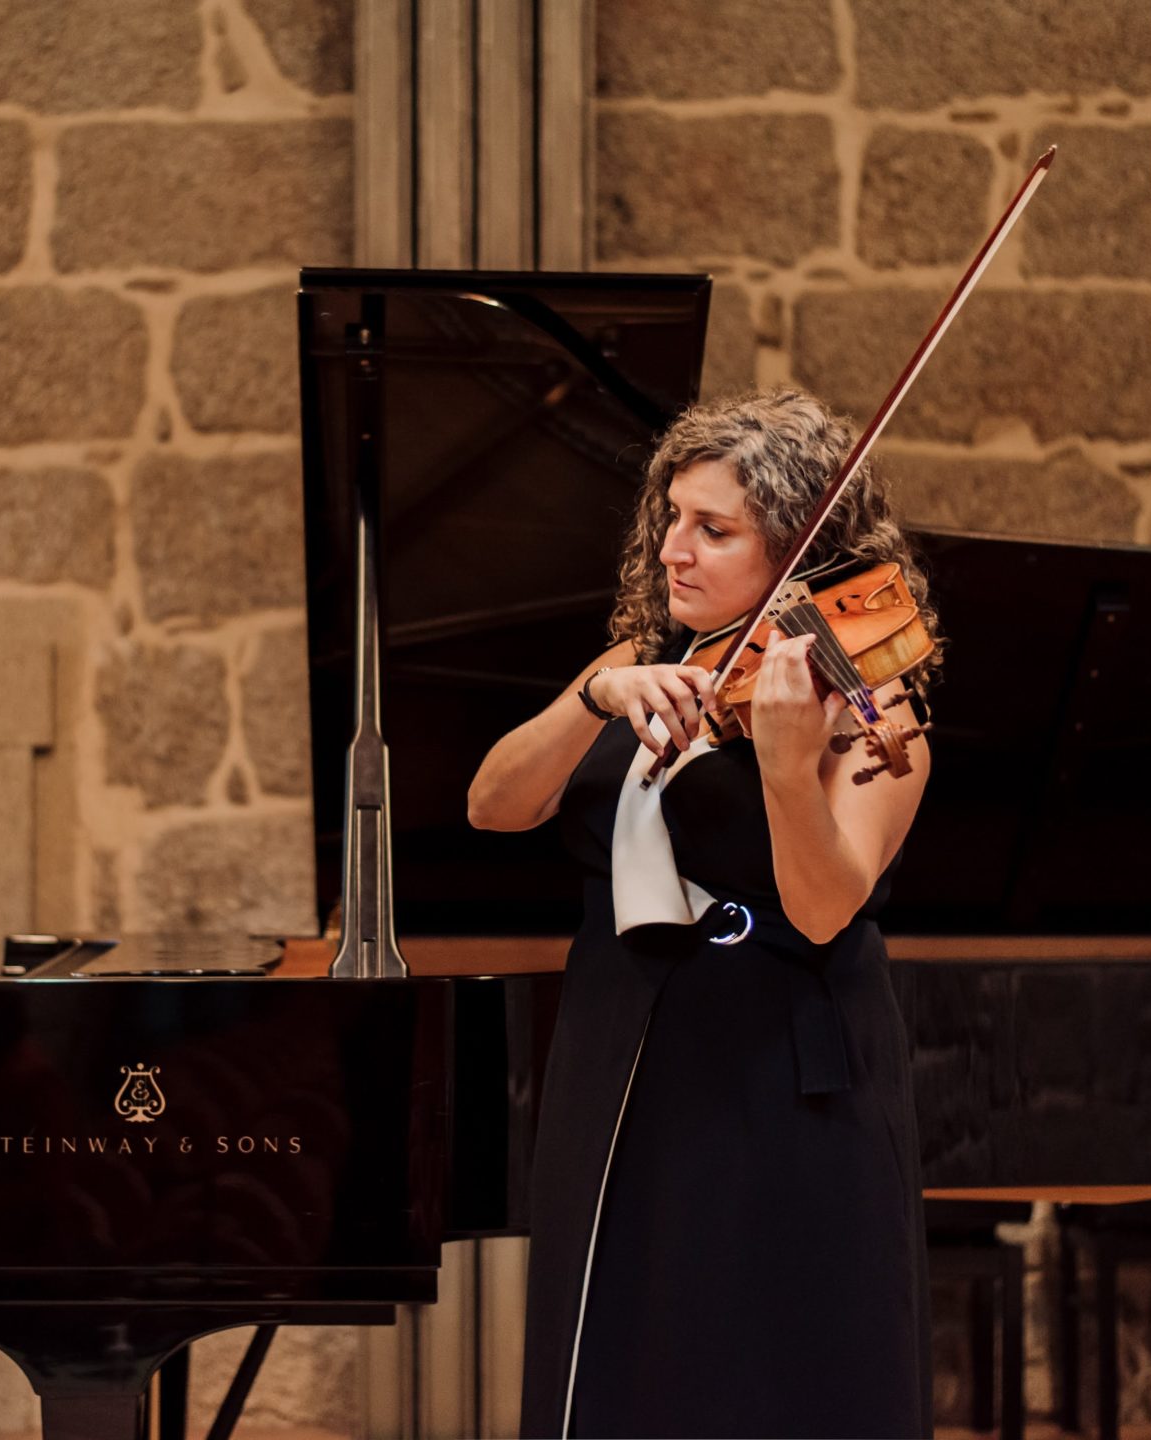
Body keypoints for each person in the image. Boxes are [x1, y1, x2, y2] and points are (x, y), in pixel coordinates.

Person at [469, 389, 938, 1437]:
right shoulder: (636, 662)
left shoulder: (870, 707)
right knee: (624, 1355)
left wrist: (781, 768)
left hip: (776, 1072)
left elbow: (823, 910)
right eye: (671, 516)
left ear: (794, 549)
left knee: (762, 1367)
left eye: (713, 529)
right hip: (620, 1051)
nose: (674, 548)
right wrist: (593, 697)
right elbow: (493, 804)